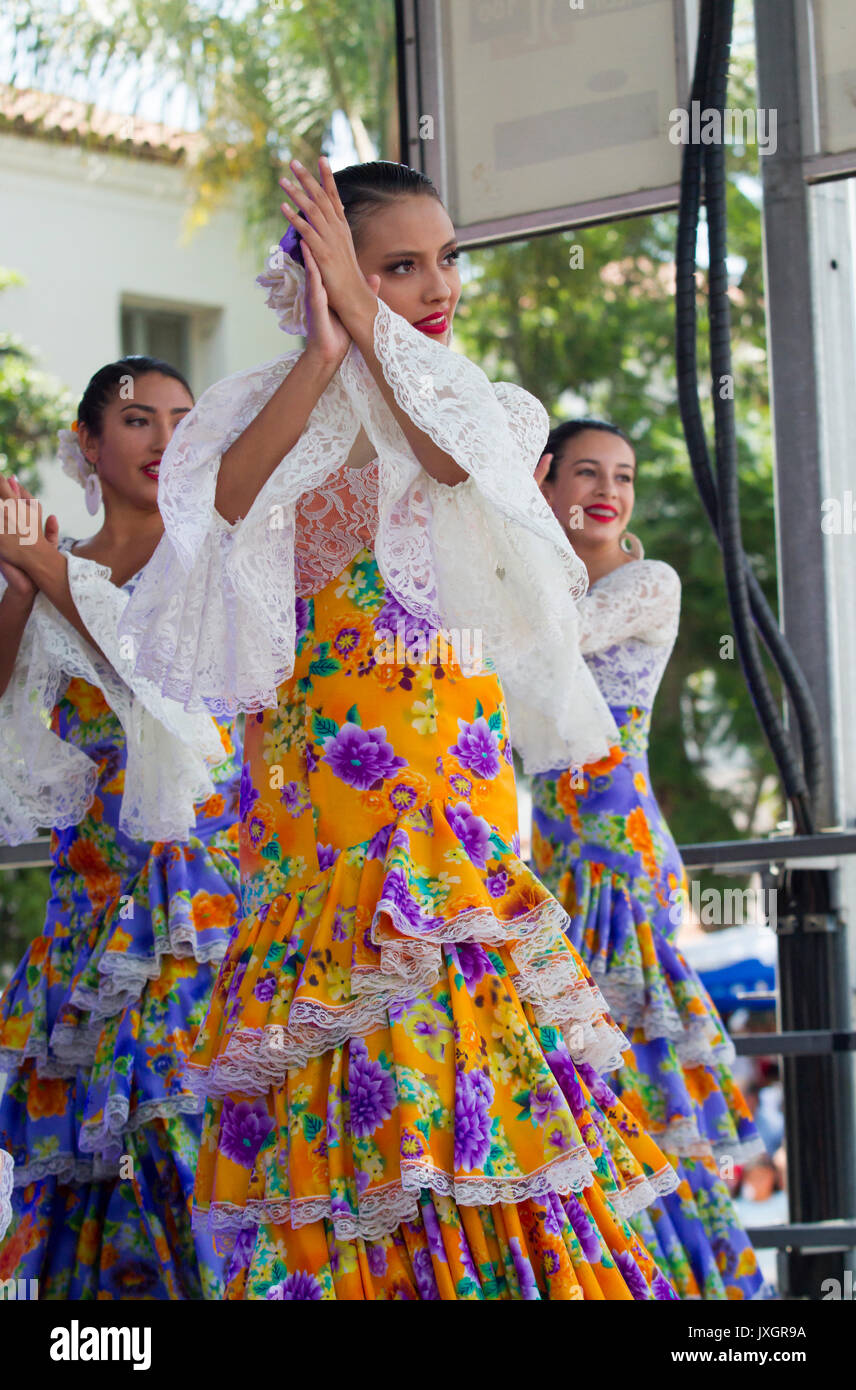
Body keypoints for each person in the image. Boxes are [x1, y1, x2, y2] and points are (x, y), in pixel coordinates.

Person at [120, 159, 686, 1302]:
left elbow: (442, 456)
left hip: (437, 809)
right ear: (323, 274)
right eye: (398, 263)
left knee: (462, 1070)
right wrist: (328, 349)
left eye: (447, 259)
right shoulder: (256, 405)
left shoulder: (478, 404)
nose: (438, 287)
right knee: (328, 1110)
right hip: (308, 816)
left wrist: (370, 322)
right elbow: (219, 505)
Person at [0, 358, 242, 1299]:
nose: (167, 439)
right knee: (85, 1158)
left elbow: (159, 687)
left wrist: (45, 568)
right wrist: (22, 583)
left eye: (184, 420)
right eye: (140, 420)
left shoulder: (211, 556)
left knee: (187, 1133)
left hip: (194, 901)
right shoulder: (53, 567)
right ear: (88, 446)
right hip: (87, 903)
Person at [532, 418, 767, 1299]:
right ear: (545, 483)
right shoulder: (526, 585)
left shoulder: (647, 582)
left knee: (636, 1082)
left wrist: (512, 538)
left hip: (621, 863)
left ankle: (696, 1294)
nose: (608, 490)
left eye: (623, 476)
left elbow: (555, 636)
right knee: (574, 1089)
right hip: (550, 866)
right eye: (585, 473)